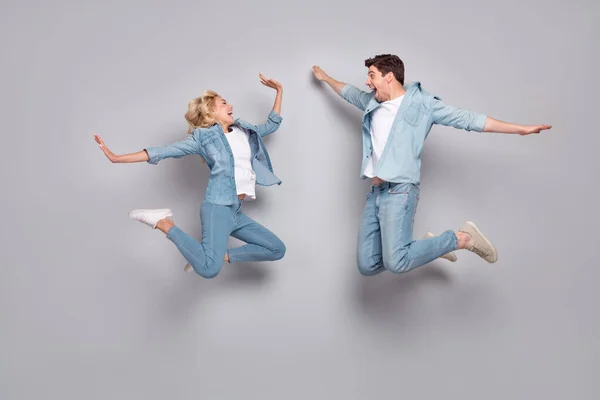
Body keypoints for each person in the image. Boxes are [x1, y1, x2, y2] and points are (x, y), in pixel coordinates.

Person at [312, 55, 551, 276]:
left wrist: (519, 129)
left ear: (389, 76)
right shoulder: (372, 103)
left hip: (401, 191)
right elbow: (348, 92)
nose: (367, 82)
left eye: (371, 75)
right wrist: (325, 78)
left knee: (397, 262)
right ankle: (431, 247)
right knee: (367, 264)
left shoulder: (423, 104)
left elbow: (468, 119)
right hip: (375, 193)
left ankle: (463, 238)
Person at [94, 73, 286, 278]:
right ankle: (164, 223)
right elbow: (166, 150)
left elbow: (271, 125)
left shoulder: (244, 131)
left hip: (235, 211)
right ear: (212, 111)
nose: (230, 106)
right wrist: (116, 157)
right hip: (218, 208)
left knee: (276, 249)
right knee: (209, 269)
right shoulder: (204, 138)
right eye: (224, 103)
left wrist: (279, 91)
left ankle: (208, 256)